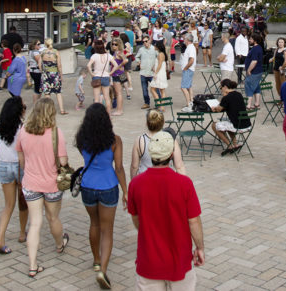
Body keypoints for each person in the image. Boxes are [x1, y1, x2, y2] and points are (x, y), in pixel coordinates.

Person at [127, 131, 205, 290]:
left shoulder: (136, 184)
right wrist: (200, 247)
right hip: (179, 259)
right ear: (171, 154)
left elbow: (136, 218)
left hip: (149, 260)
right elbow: (194, 221)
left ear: (150, 153)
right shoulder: (184, 184)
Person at [75, 103, 128, 289]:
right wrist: (125, 190)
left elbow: (84, 157)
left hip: (88, 185)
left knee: (94, 224)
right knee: (107, 230)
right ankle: (103, 271)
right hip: (108, 185)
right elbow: (119, 168)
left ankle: (96, 260)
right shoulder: (115, 140)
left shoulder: (81, 139)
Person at [16, 97, 69, 279]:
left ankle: (32, 265)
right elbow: (63, 161)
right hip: (52, 183)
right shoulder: (56, 133)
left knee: (35, 223)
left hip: (31, 183)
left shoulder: (23, 131)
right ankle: (59, 244)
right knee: (53, 217)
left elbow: (21, 159)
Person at [0, 96, 29, 255]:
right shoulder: (22, 128)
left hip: (4, 165)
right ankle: (22, 233)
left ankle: (1, 239)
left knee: (8, 205)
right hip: (20, 166)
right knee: (23, 202)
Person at [130, 109, 186, 178]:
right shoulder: (170, 139)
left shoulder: (140, 140)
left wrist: (133, 180)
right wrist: (183, 181)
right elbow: (179, 166)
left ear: (147, 123)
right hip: (167, 178)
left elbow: (134, 166)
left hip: (146, 178)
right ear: (163, 122)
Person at [209, 79, 250, 155]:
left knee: (214, 125)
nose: (221, 90)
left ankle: (229, 146)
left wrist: (214, 108)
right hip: (246, 124)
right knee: (228, 123)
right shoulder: (239, 94)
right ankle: (235, 144)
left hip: (237, 126)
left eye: (221, 88)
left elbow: (219, 109)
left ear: (225, 87)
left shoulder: (226, 98)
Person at [87, 40, 117, 116]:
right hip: (106, 76)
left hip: (96, 77)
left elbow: (88, 65)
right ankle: (109, 114)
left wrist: (92, 74)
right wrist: (110, 73)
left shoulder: (94, 56)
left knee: (96, 99)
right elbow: (116, 65)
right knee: (107, 98)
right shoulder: (108, 55)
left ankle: (96, 115)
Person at [39, 39, 66, 115]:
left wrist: (42, 71)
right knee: (58, 92)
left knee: (47, 93)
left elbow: (39, 64)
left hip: (46, 74)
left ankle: (48, 111)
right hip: (55, 74)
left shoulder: (42, 52)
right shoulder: (56, 52)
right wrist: (61, 75)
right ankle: (62, 110)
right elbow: (59, 65)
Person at [135, 37, 158, 110]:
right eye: (143, 42)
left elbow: (159, 58)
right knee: (144, 90)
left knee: (156, 89)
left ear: (149, 41)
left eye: (146, 41)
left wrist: (156, 66)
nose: (145, 43)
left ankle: (158, 103)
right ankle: (146, 103)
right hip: (143, 72)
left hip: (152, 73)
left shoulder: (154, 49)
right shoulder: (141, 49)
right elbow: (137, 57)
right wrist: (138, 61)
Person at [243, 33, 265, 109]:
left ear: (255, 40)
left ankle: (248, 104)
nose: (249, 40)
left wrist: (249, 70)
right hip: (258, 70)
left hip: (254, 71)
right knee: (256, 87)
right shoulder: (259, 47)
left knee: (248, 85)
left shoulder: (255, 49)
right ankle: (257, 104)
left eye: (251, 39)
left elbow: (254, 61)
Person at [179, 33, 197, 111]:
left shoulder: (190, 48)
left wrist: (186, 68)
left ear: (187, 40)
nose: (183, 40)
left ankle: (189, 104)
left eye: (184, 39)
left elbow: (191, 60)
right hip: (189, 69)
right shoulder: (190, 47)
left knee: (183, 87)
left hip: (188, 69)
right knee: (189, 86)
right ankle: (191, 102)